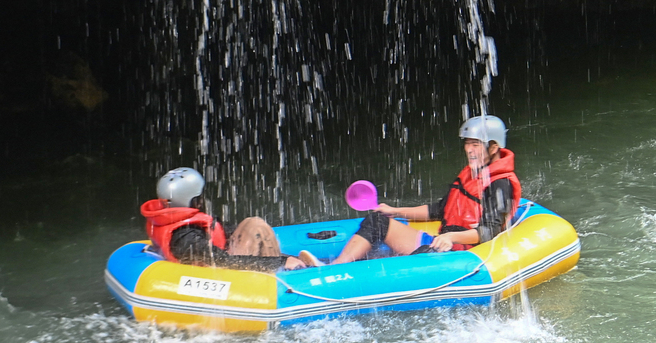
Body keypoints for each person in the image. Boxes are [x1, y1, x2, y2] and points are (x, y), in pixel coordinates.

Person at [328, 115, 522, 265]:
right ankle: (336, 267)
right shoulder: (472, 173)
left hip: (466, 255)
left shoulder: (500, 184)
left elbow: (489, 231)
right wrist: (395, 211)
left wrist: (451, 237)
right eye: (467, 144)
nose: (469, 150)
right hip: (443, 242)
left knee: (419, 259)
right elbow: (439, 209)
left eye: (475, 145)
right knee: (377, 221)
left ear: (494, 147)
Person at [141, 167, 317, 272]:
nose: (203, 200)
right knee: (256, 227)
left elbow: (224, 232)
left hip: (216, 262)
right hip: (220, 275)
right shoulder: (186, 239)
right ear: (192, 200)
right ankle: (293, 271)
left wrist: (285, 256)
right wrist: (281, 262)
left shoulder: (178, 221)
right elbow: (224, 261)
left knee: (251, 226)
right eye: (200, 196)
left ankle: (300, 262)